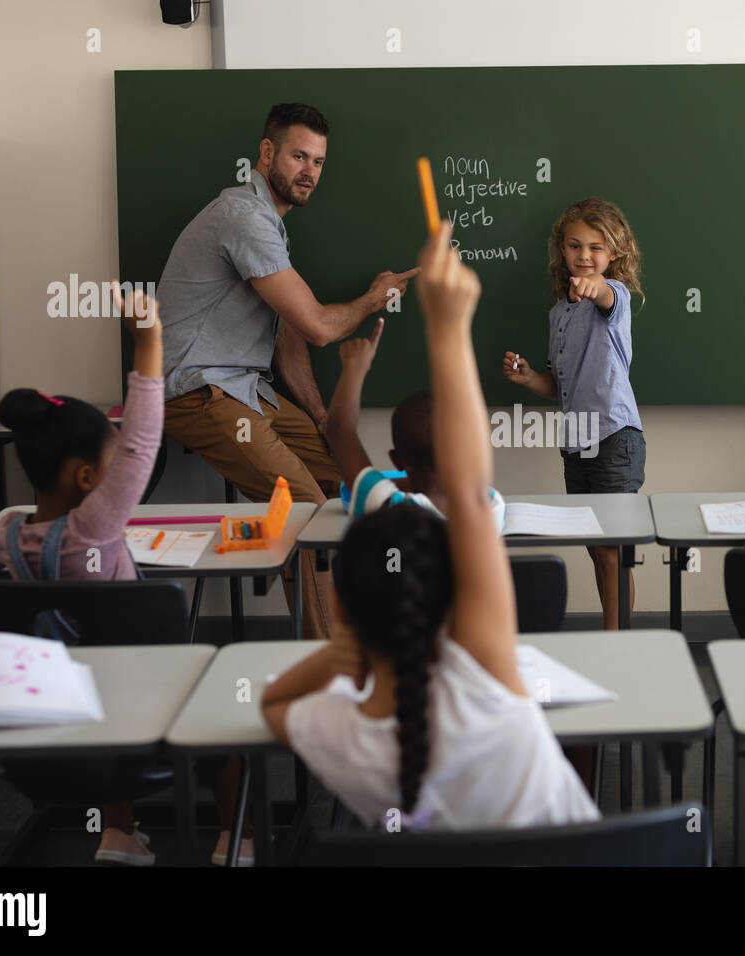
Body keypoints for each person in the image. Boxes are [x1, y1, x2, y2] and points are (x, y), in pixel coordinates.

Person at [262, 223, 598, 829]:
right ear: (457, 586)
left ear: (342, 608)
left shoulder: (340, 734)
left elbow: (274, 703)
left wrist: (345, 650)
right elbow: (469, 495)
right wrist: (449, 326)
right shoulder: (488, 674)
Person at [156, 102, 418, 643]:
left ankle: (368, 628)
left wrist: (320, 416)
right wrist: (375, 298)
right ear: (267, 152)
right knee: (307, 510)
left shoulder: (269, 225)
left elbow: (290, 334)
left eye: (319, 162)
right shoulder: (244, 218)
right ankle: (333, 661)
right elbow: (321, 327)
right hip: (197, 390)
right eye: (299, 156)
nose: (309, 171)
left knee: (346, 482)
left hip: (246, 388)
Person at [0, 288, 168, 864]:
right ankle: (240, 839)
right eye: (107, 472)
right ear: (86, 478)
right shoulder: (96, 528)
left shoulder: (6, 540)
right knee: (225, 730)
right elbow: (141, 445)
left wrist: (15, 528)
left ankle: (120, 833)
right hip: (138, 714)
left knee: (97, 674)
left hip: (48, 720)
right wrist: (150, 340)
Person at [503, 197, 645, 630]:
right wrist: (530, 379)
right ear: (561, 250)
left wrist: (594, 286)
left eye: (596, 248)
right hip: (576, 438)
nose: (584, 257)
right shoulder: (558, 313)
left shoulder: (614, 294)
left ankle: (614, 641)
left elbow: (603, 293)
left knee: (611, 550)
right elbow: (559, 386)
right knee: (595, 546)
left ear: (614, 254)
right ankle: (612, 633)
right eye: (574, 246)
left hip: (614, 439)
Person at [323, 317, 505, 529]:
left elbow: (339, 430)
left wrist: (354, 368)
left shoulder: (384, 505)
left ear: (396, 461)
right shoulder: (489, 506)